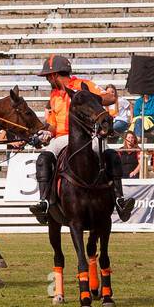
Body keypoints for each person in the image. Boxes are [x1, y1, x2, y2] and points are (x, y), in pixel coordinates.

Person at [29, 55, 134, 221]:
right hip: (62, 138)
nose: (48, 80)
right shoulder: (54, 95)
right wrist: (39, 132)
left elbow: (110, 97)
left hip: (87, 136)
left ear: (54, 75)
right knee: (43, 159)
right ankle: (44, 202)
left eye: (48, 76)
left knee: (111, 155)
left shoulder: (82, 84)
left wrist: (88, 97)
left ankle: (120, 199)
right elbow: (53, 126)